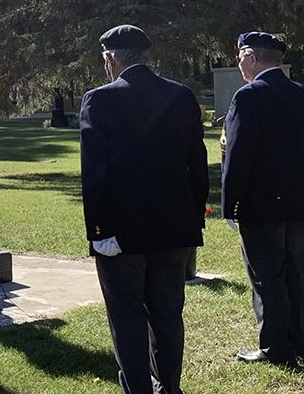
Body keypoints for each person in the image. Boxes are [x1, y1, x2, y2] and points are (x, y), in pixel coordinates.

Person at [79, 25, 209, 394]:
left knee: (127, 317)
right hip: (174, 228)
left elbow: (94, 173)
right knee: (167, 314)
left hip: (122, 232)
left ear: (110, 60)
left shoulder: (99, 100)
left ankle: (139, 389)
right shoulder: (180, 96)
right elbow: (197, 164)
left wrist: (100, 231)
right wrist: (193, 217)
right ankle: (169, 387)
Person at [222, 32, 304, 366]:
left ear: (251, 57)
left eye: (240, 57)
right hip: (295, 197)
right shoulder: (300, 94)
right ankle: (299, 339)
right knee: (294, 272)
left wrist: (231, 204)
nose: (239, 64)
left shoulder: (248, 96)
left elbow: (238, 157)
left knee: (266, 276)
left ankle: (276, 346)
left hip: (260, 202)